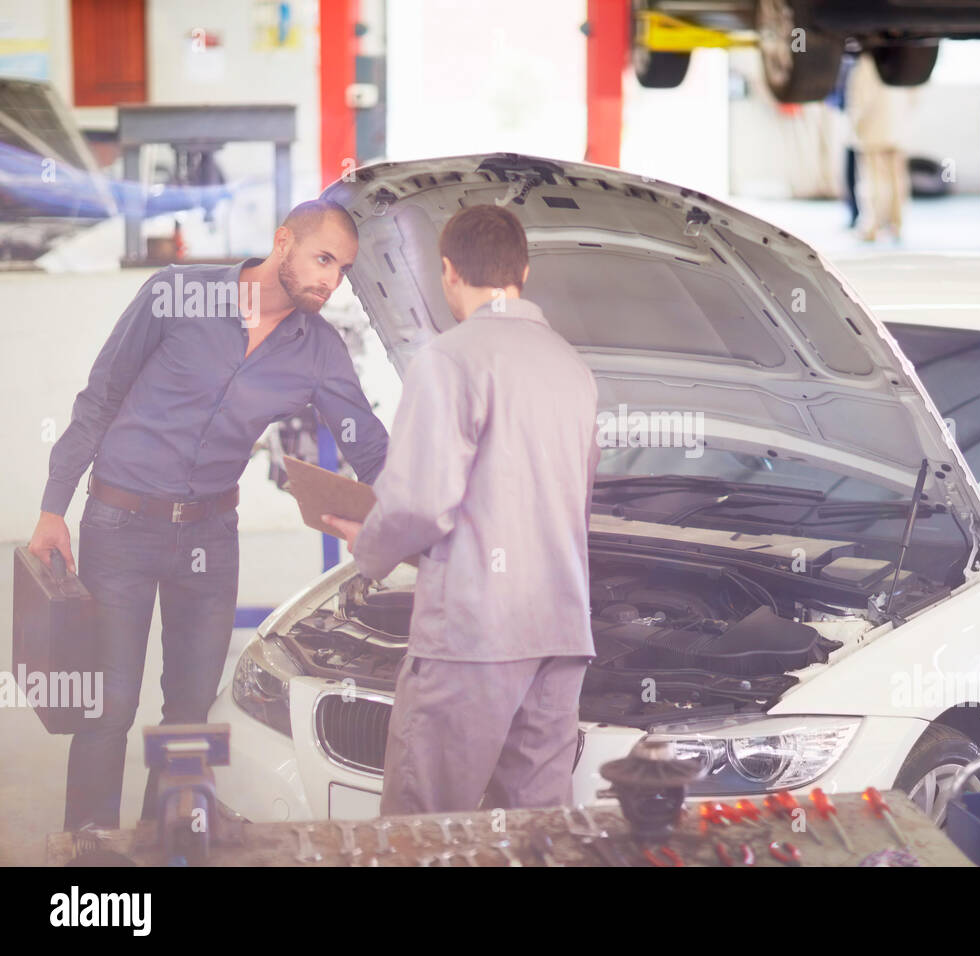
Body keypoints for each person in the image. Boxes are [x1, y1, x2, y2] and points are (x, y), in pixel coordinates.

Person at [27, 199, 389, 830]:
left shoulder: (319, 350)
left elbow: (369, 445)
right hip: (120, 526)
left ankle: (160, 847)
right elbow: (102, 392)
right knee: (108, 709)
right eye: (322, 259)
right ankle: (90, 859)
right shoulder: (175, 294)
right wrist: (52, 507)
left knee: (192, 709)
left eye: (343, 270)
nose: (331, 280)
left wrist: (420, 517)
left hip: (211, 537)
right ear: (283, 243)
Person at [324, 204, 599, 814]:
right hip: (558, 631)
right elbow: (574, 505)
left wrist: (368, 544)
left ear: (448, 272)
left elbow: (421, 503)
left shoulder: (451, 359)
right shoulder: (573, 368)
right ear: (522, 271)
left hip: (474, 635)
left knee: (423, 830)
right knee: (536, 835)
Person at [846, 54, 909, 241]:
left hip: (872, 130)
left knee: (871, 181)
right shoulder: (905, 61)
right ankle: (896, 224)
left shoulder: (865, 64)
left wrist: (855, 127)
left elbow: (859, 100)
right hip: (897, 129)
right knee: (897, 180)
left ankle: (871, 226)